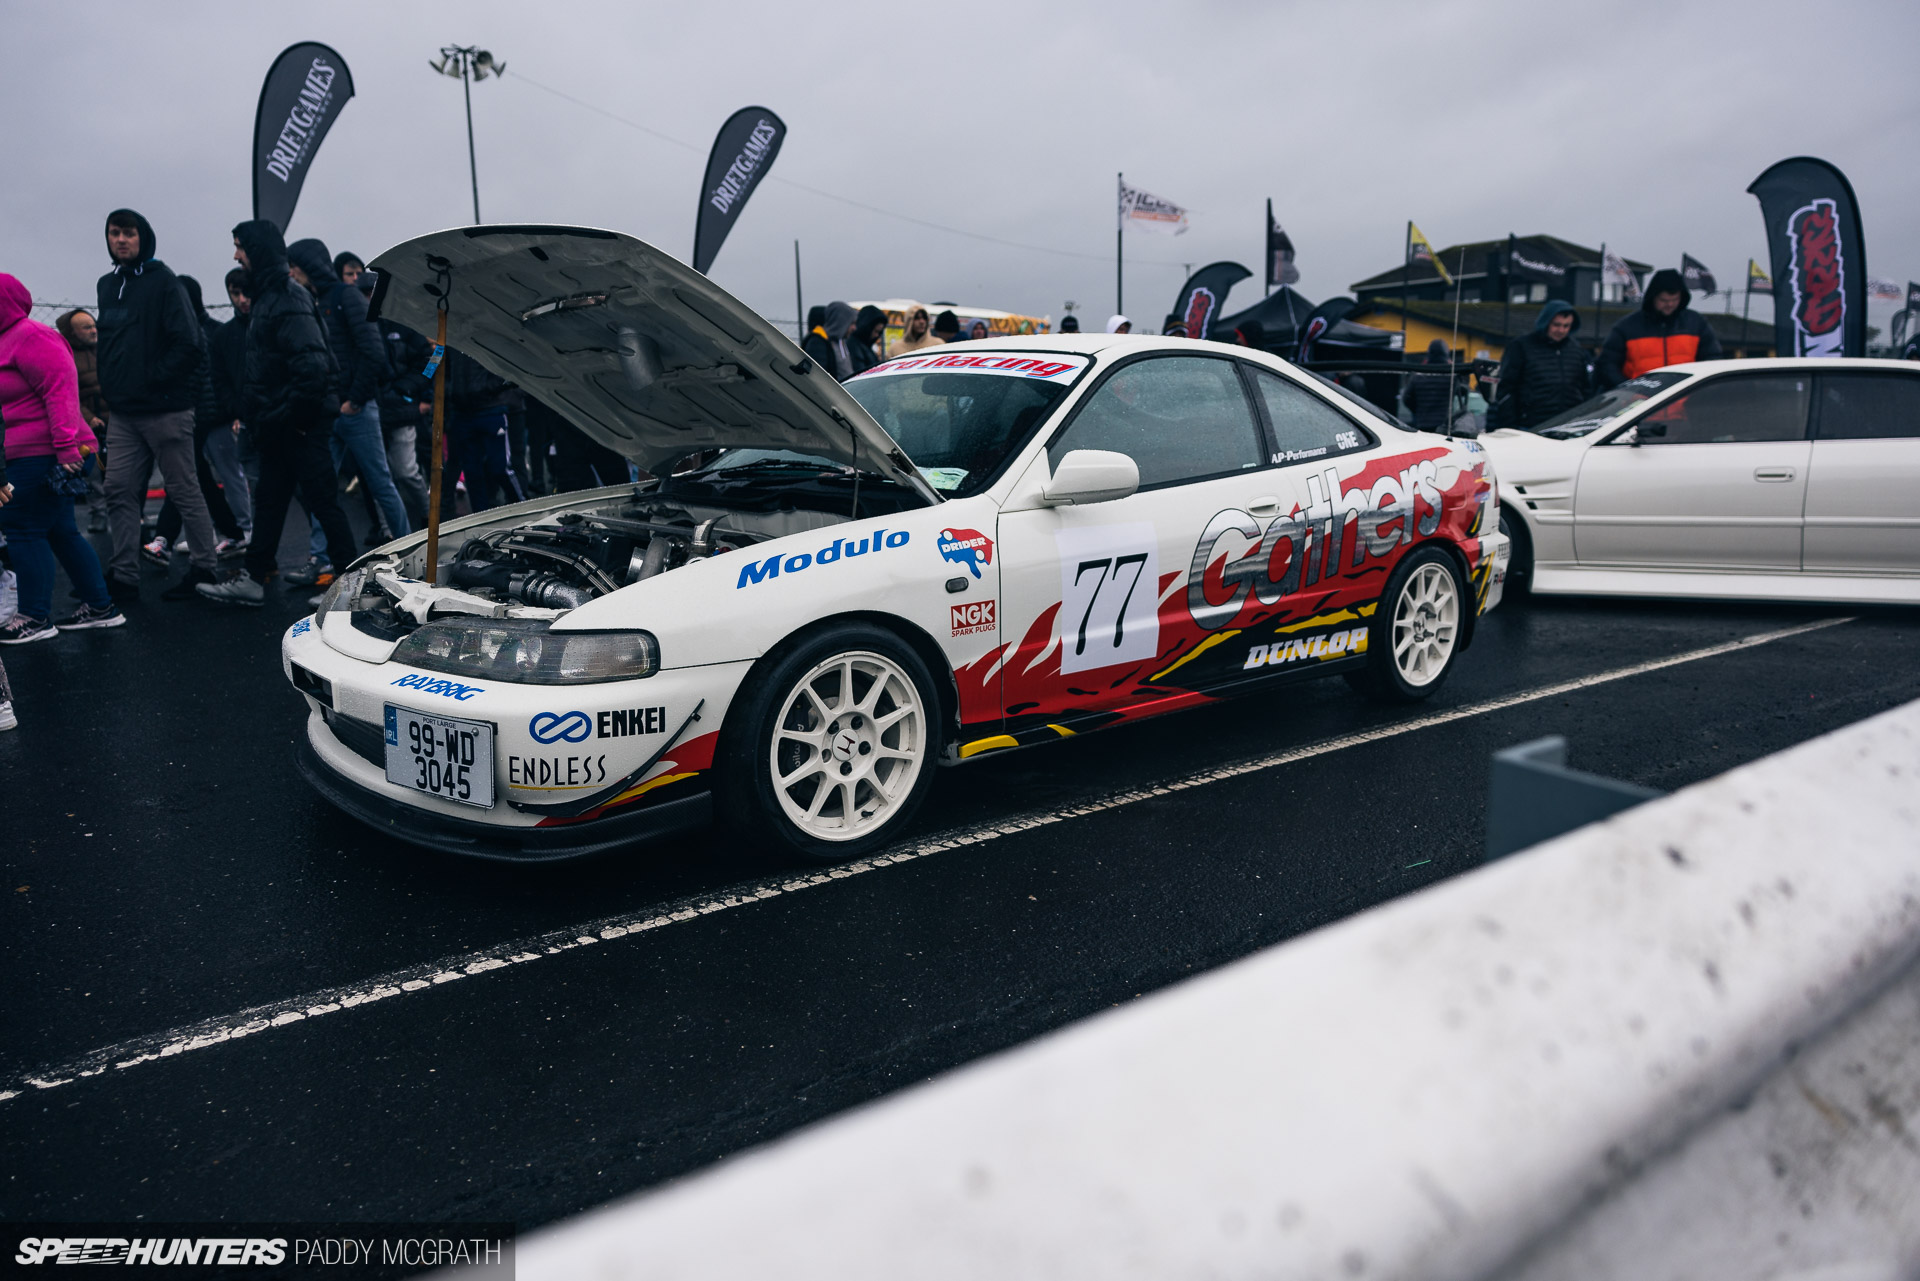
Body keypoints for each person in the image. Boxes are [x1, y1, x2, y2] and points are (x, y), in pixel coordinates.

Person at [198, 219, 357, 607]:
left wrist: (294, 419)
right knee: (269, 502)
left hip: (298, 425)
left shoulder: (287, 297)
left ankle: (352, 589)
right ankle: (254, 578)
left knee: (323, 503)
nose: (235, 255)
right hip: (279, 425)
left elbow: (312, 367)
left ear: (257, 250)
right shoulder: (269, 297)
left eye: (240, 247)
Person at [95, 208, 218, 600]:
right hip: (123, 413)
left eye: (128, 233)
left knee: (182, 490)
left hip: (165, 410)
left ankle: (204, 570)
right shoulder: (106, 285)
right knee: (117, 489)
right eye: (114, 233)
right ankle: (123, 576)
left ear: (142, 237)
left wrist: (150, 380)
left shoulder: (164, 282)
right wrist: (113, 387)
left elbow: (190, 344)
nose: (121, 239)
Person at [0, 272, 124, 643]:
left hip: (45, 451)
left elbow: (61, 389)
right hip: (32, 451)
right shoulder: (6, 340)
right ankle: (100, 607)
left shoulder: (31, 335)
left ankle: (35, 617)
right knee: (60, 530)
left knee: (22, 528)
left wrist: (66, 445)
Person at [285, 237, 407, 585]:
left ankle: (409, 550)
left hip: (356, 411)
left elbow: (373, 351)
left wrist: (354, 400)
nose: (291, 273)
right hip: (330, 412)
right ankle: (320, 560)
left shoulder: (346, 297)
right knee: (322, 488)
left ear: (307, 266)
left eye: (294, 266)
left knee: (380, 483)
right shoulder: (313, 300)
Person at [149, 276, 248, 560]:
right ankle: (225, 533)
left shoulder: (204, 333)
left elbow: (222, 377)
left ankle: (234, 531)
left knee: (207, 475)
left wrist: (233, 411)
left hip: (209, 416)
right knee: (197, 477)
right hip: (197, 416)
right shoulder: (185, 332)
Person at [1597, 267, 1723, 386]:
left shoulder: (1696, 323)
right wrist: (1627, 388)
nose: (1670, 304)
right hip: (1641, 397)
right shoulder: (1627, 327)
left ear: (1682, 297)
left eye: (1675, 299)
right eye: (1664, 300)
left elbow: (1712, 359)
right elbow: (1607, 364)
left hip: (1684, 396)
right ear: (1653, 298)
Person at [372, 306, 434, 527]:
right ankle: (387, 529)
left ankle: (430, 516)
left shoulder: (405, 325)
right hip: (375, 408)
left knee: (406, 471)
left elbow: (432, 362)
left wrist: (411, 390)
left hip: (403, 409)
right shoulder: (364, 323)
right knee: (380, 476)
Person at [1490, 300, 1593, 430]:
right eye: (1556, 325)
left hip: (1567, 425)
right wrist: (1510, 425)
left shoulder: (1576, 350)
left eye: (1566, 326)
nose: (1561, 330)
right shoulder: (1521, 347)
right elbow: (1506, 388)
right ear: (1546, 322)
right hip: (1529, 425)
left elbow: (1585, 388)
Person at [54, 308, 109, 532]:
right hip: (85, 424)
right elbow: (66, 394)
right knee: (92, 473)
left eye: (94, 326)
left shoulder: (105, 350)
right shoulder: (64, 356)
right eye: (86, 327)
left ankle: (133, 516)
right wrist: (88, 417)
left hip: (116, 419)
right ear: (72, 332)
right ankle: (99, 514)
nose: (93, 331)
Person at [802, 302, 876, 382]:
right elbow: (818, 376)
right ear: (842, 322)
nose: (854, 328)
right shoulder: (818, 343)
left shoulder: (840, 342)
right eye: (852, 323)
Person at [1405, 339, 1455, 432]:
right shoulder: (1451, 376)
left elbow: (1407, 399)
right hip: (1443, 426)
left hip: (1422, 424)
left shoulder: (1418, 375)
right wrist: (1453, 367)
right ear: (1446, 354)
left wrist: (1419, 411)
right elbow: (1463, 391)